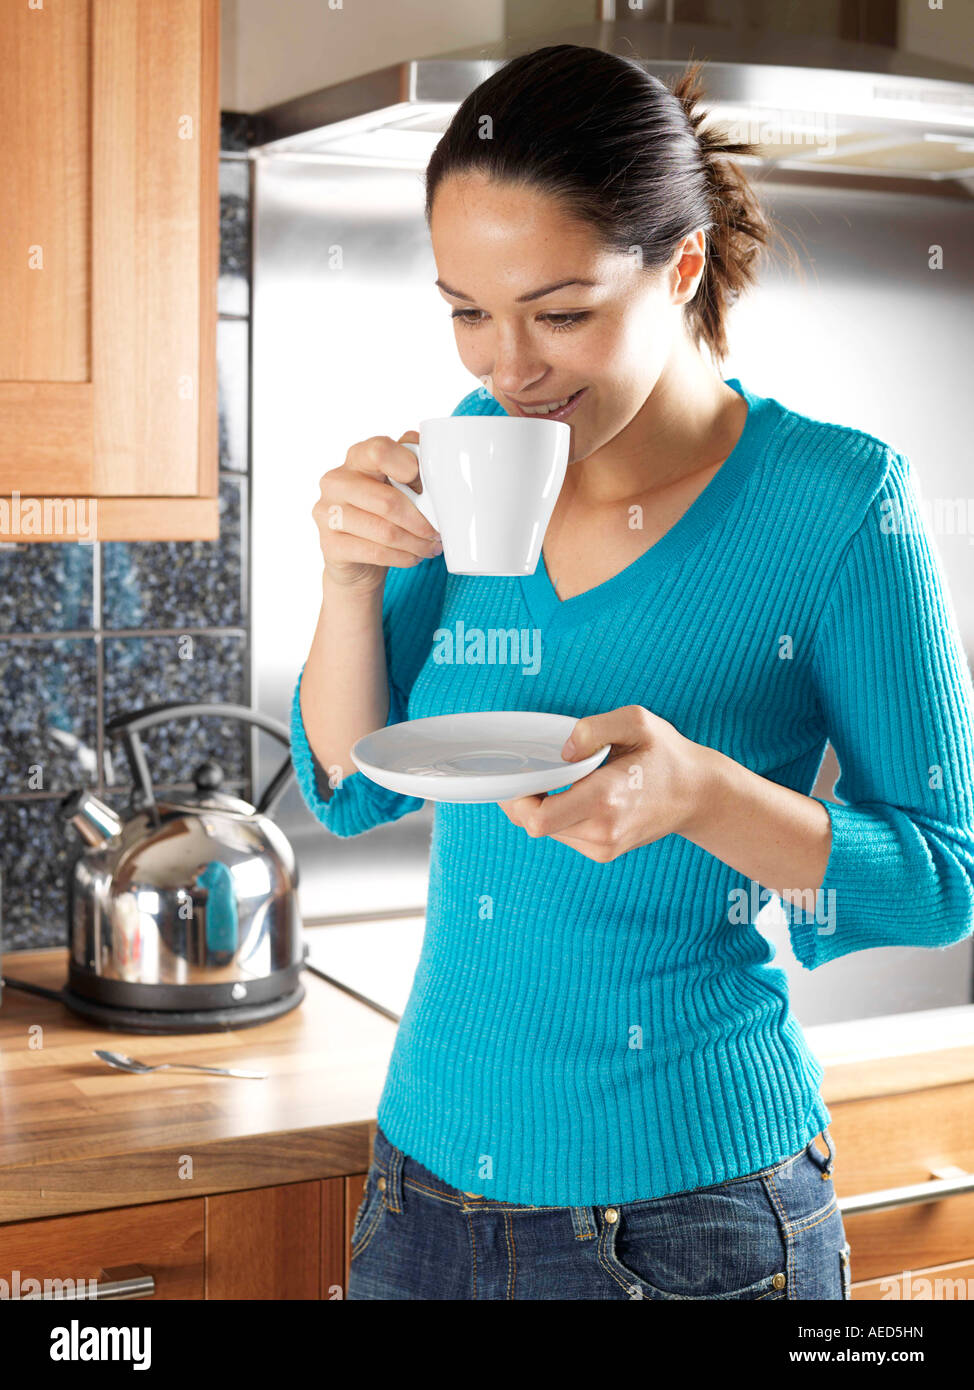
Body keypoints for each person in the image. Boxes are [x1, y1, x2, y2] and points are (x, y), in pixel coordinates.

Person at [291, 45, 974, 1300]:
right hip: (422, 1193)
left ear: (681, 267)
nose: (505, 367)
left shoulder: (835, 499)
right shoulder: (467, 458)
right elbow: (349, 787)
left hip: (689, 1221)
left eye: (559, 312)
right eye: (464, 310)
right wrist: (343, 581)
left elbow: (940, 882)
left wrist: (701, 795)